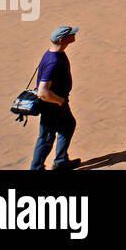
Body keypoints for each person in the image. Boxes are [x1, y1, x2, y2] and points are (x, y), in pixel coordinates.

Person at [30, 25, 81, 170]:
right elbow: (42, 92)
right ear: (61, 40)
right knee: (46, 138)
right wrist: (60, 101)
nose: (74, 35)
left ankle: (61, 161)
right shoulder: (53, 61)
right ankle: (36, 168)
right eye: (70, 34)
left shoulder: (57, 53)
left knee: (68, 126)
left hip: (59, 103)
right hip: (52, 105)